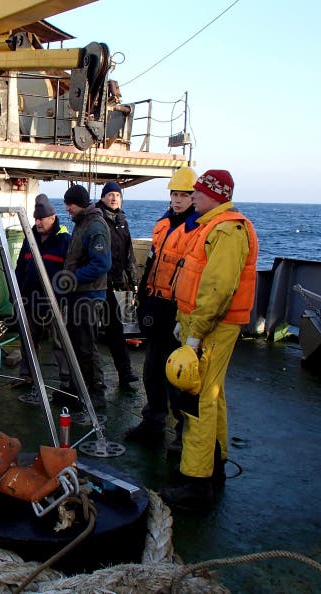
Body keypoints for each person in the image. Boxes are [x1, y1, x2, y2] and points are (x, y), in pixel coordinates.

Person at [159, 169, 259, 512]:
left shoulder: (228, 230)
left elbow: (217, 289)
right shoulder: (211, 226)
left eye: (198, 192)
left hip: (212, 329)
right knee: (212, 397)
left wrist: (195, 333)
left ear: (215, 195)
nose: (193, 197)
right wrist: (182, 321)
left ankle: (196, 482)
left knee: (197, 401)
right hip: (201, 325)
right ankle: (214, 466)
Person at [124, 167, 200, 445]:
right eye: (175, 194)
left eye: (184, 195)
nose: (178, 200)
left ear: (195, 197)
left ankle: (184, 436)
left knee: (179, 377)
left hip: (179, 311)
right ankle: (153, 423)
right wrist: (142, 297)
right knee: (153, 370)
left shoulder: (199, 230)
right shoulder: (164, 225)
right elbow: (154, 265)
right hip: (157, 307)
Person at [13, 194, 72, 391]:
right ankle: (26, 374)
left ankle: (66, 377)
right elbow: (20, 267)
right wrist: (19, 291)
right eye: (36, 219)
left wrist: (64, 296)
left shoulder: (64, 241)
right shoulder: (30, 240)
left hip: (56, 300)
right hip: (30, 298)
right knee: (29, 338)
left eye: (41, 219)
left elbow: (69, 272)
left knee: (60, 340)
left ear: (52, 218)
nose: (38, 222)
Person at [61, 185, 111, 409]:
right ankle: (76, 388)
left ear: (79, 203)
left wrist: (73, 277)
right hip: (77, 294)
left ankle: (96, 391)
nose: (67, 208)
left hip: (89, 296)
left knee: (86, 344)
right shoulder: (82, 225)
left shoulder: (95, 226)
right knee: (73, 342)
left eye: (69, 204)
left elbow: (101, 263)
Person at [94, 181, 139, 390]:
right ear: (103, 197)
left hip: (113, 283)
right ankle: (92, 377)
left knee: (115, 330)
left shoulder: (122, 220)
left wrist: (133, 279)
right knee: (90, 330)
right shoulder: (95, 218)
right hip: (95, 283)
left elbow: (128, 251)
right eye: (110, 194)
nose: (114, 198)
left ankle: (125, 374)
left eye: (117, 195)